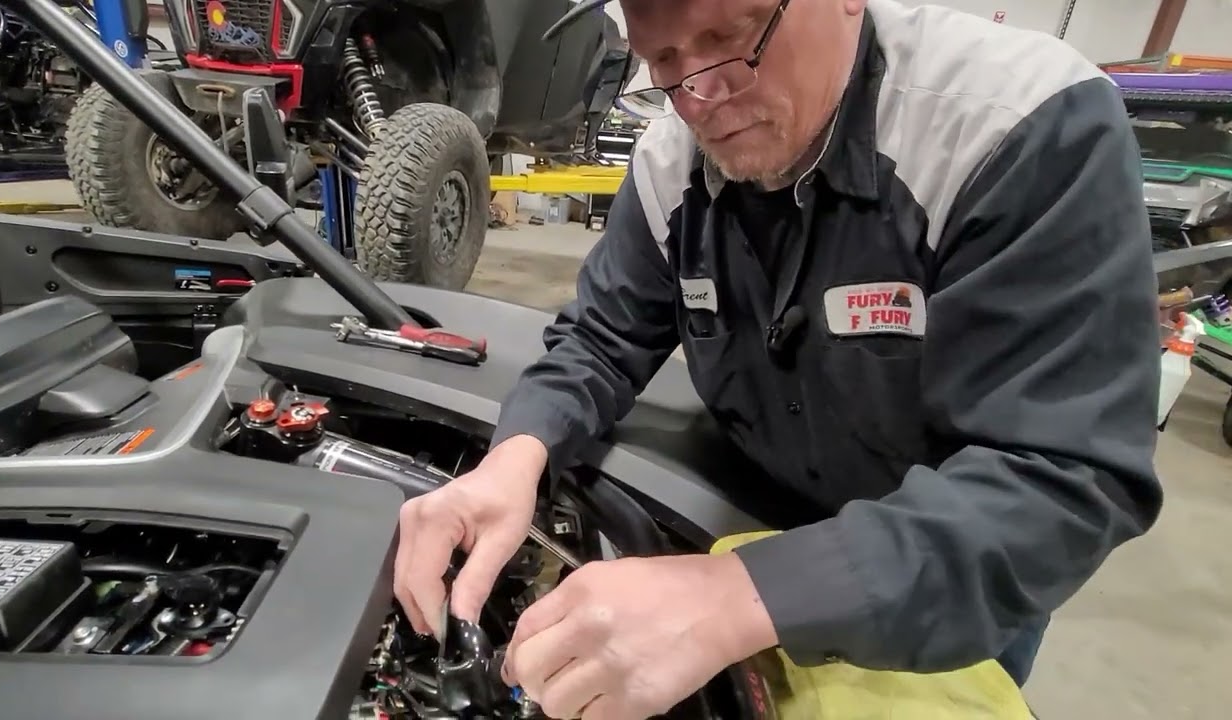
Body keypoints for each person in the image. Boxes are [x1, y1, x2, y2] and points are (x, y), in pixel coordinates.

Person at [393, 0, 1165, 717]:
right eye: (664, 61)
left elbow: (1059, 477)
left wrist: (738, 596)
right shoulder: (671, 165)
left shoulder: (1015, 128)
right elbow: (601, 337)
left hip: (942, 561)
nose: (700, 96)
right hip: (748, 521)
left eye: (734, 37)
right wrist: (513, 460)